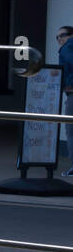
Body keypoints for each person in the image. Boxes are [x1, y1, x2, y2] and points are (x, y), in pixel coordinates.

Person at [58, 26, 73, 176]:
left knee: (70, 130)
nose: (59, 39)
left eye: (63, 35)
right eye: (57, 37)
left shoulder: (66, 48)